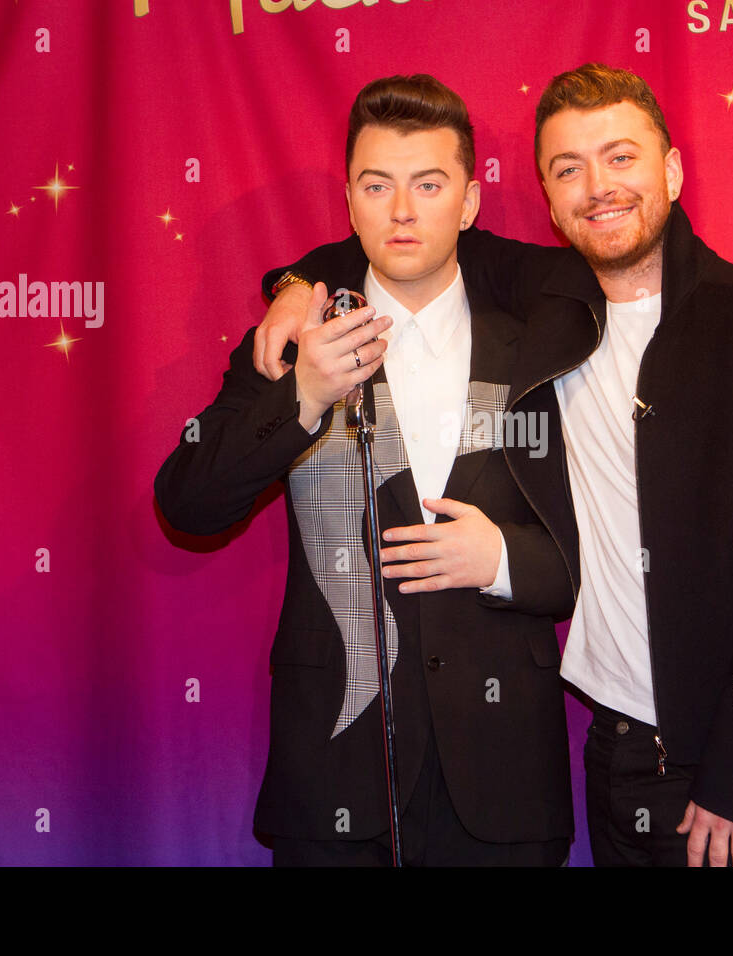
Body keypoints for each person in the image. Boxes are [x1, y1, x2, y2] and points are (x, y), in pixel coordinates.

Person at [260, 63, 733, 867]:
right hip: (616, 759)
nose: (598, 187)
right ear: (547, 197)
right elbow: (400, 237)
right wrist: (297, 285)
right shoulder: (548, 302)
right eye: (568, 168)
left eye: (621, 157)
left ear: (672, 172)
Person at [155, 74, 574, 866]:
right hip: (332, 778)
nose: (404, 211)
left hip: (504, 789)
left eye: (429, 184)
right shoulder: (296, 340)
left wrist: (504, 562)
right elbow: (186, 500)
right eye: (377, 186)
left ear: (471, 200)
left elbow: (602, 558)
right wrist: (304, 395)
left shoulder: (544, 346)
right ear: (350, 202)